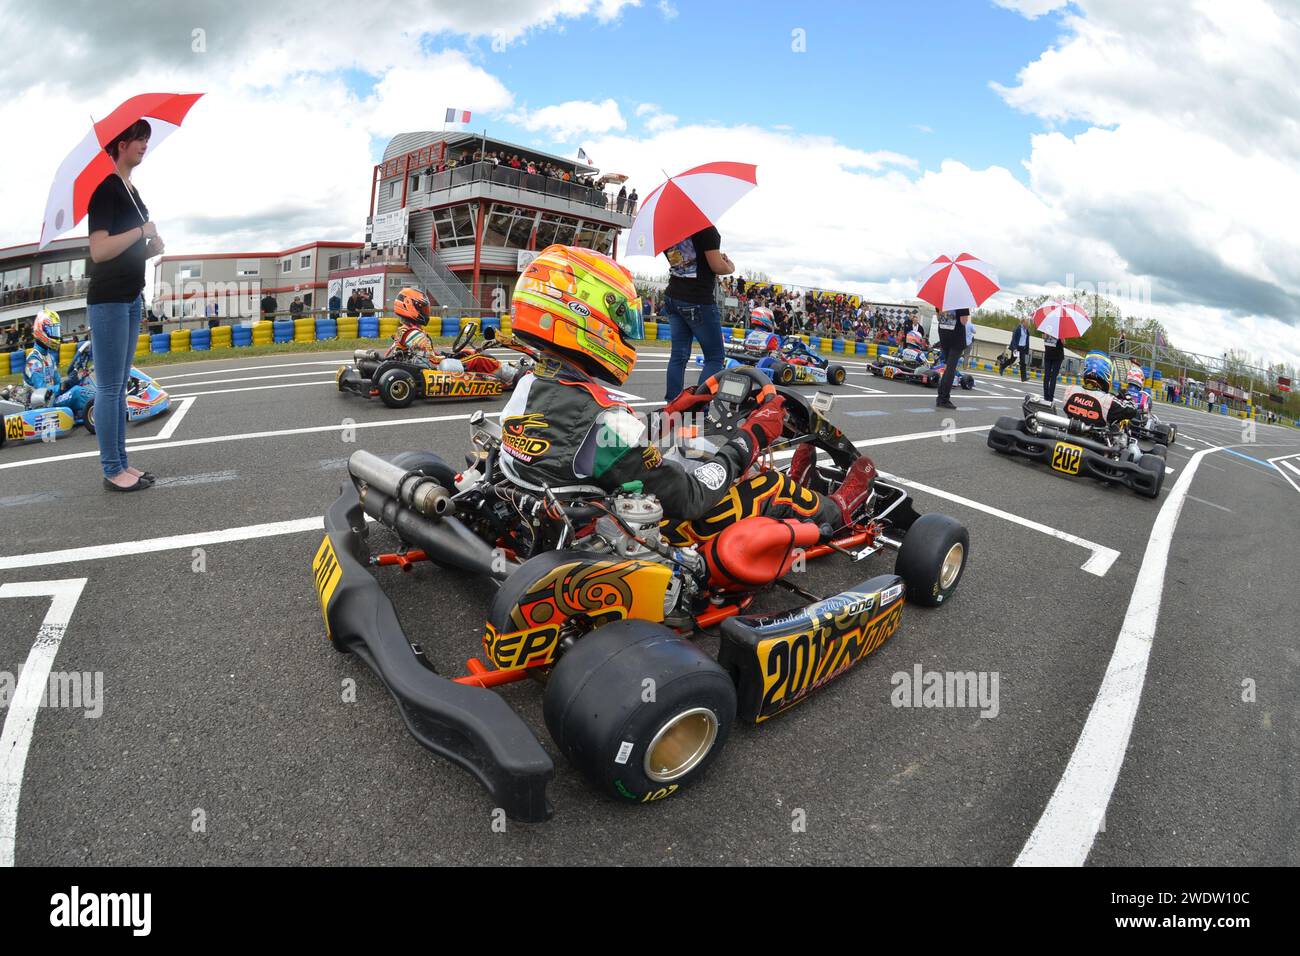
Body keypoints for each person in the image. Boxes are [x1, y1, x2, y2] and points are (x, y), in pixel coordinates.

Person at [498, 244, 878, 546]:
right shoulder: (602, 417)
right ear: (585, 317)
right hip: (640, 533)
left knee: (684, 447)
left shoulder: (531, 386)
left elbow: (606, 443)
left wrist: (676, 411)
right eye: (621, 319)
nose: (628, 330)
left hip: (563, 508)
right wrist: (752, 437)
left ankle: (801, 489)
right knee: (765, 485)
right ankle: (837, 512)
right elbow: (691, 496)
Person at [86, 118, 162, 492]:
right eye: (138, 138)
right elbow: (100, 252)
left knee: (118, 386)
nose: (144, 144)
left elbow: (127, 253)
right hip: (109, 300)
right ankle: (112, 469)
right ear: (119, 144)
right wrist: (140, 232)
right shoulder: (106, 190)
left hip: (131, 297)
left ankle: (122, 463)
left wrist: (149, 249)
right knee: (111, 387)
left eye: (147, 138)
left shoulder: (132, 190)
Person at [661, 225, 733, 402]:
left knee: (678, 356)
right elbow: (716, 266)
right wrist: (730, 266)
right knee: (715, 357)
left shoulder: (667, 229)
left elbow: (684, 261)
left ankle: (673, 404)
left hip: (673, 296)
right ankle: (698, 408)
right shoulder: (707, 230)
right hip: (697, 299)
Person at [934, 308, 969, 410]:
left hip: (944, 336)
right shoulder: (962, 301)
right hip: (956, 338)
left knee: (947, 368)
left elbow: (938, 318)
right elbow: (963, 321)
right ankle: (944, 399)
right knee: (951, 370)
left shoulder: (941, 298)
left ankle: (940, 397)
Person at [1043, 327, 1066, 401]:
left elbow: (1044, 337)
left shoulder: (1048, 327)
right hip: (1057, 355)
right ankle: (1050, 397)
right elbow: (1063, 342)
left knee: (1047, 376)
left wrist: (1046, 335)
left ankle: (1046, 396)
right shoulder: (1061, 329)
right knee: (1053, 377)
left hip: (1048, 354)